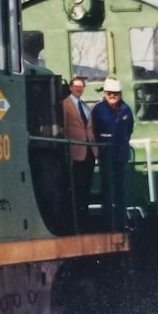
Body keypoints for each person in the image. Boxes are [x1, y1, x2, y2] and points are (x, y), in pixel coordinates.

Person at [91, 77, 134, 230]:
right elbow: (94, 130)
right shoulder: (98, 110)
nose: (112, 96)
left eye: (115, 93)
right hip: (106, 154)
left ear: (120, 94)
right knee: (108, 188)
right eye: (109, 93)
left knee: (121, 189)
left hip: (121, 154)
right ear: (105, 93)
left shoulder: (126, 110)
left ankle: (122, 222)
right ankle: (108, 223)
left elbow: (129, 129)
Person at [62, 76, 97, 232]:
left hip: (89, 151)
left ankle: (85, 219)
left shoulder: (84, 106)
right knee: (76, 188)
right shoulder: (65, 105)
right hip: (75, 152)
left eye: (81, 86)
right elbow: (63, 128)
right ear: (70, 88)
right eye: (76, 86)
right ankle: (77, 223)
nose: (78, 89)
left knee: (86, 187)